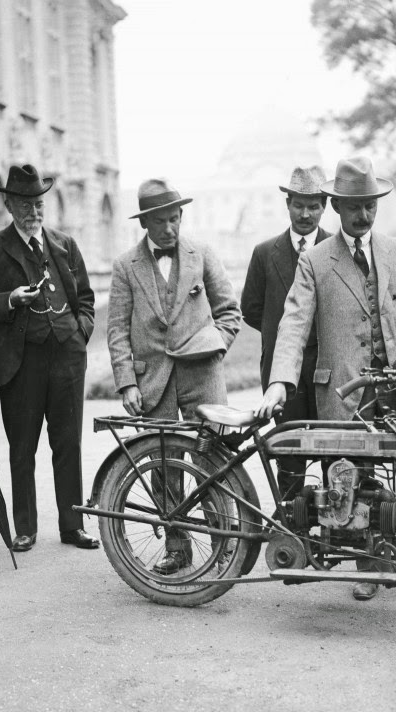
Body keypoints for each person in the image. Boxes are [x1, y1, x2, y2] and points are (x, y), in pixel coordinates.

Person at [255, 156, 396, 600]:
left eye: (370, 205)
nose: (363, 215)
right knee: (353, 483)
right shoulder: (316, 261)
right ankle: (368, 567)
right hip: (344, 396)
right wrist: (280, 382)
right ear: (336, 206)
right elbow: (293, 324)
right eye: (354, 206)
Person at [107, 178, 242, 575]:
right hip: (153, 382)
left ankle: (223, 549)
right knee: (165, 466)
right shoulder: (125, 267)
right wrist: (127, 381)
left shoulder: (202, 254)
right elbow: (115, 329)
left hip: (204, 378)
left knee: (212, 463)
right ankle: (178, 549)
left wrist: (213, 346)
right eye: (161, 221)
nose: (170, 228)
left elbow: (230, 312)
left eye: (175, 218)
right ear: (145, 222)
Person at [0, 164, 97, 552]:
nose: (33, 211)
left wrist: (80, 332)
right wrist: (9, 300)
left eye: (38, 203)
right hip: (19, 363)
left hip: (67, 360)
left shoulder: (64, 244)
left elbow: (86, 299)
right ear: (9, 205)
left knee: (68, 445)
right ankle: (25, 527)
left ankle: (72, 525)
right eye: (25, 203)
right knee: (22, 448)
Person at [240, 166, 331, 502]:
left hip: (328, 368)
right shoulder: (266, 253)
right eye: (298, 205)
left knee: (333, 448)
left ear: (324, 206)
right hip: (282, 372)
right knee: (289, 450)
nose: (305, 214)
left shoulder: (335, 249)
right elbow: (250, 308)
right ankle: (292, 525)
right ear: (287, 204)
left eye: (313, 206)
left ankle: (332, 527)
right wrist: (281, 334)